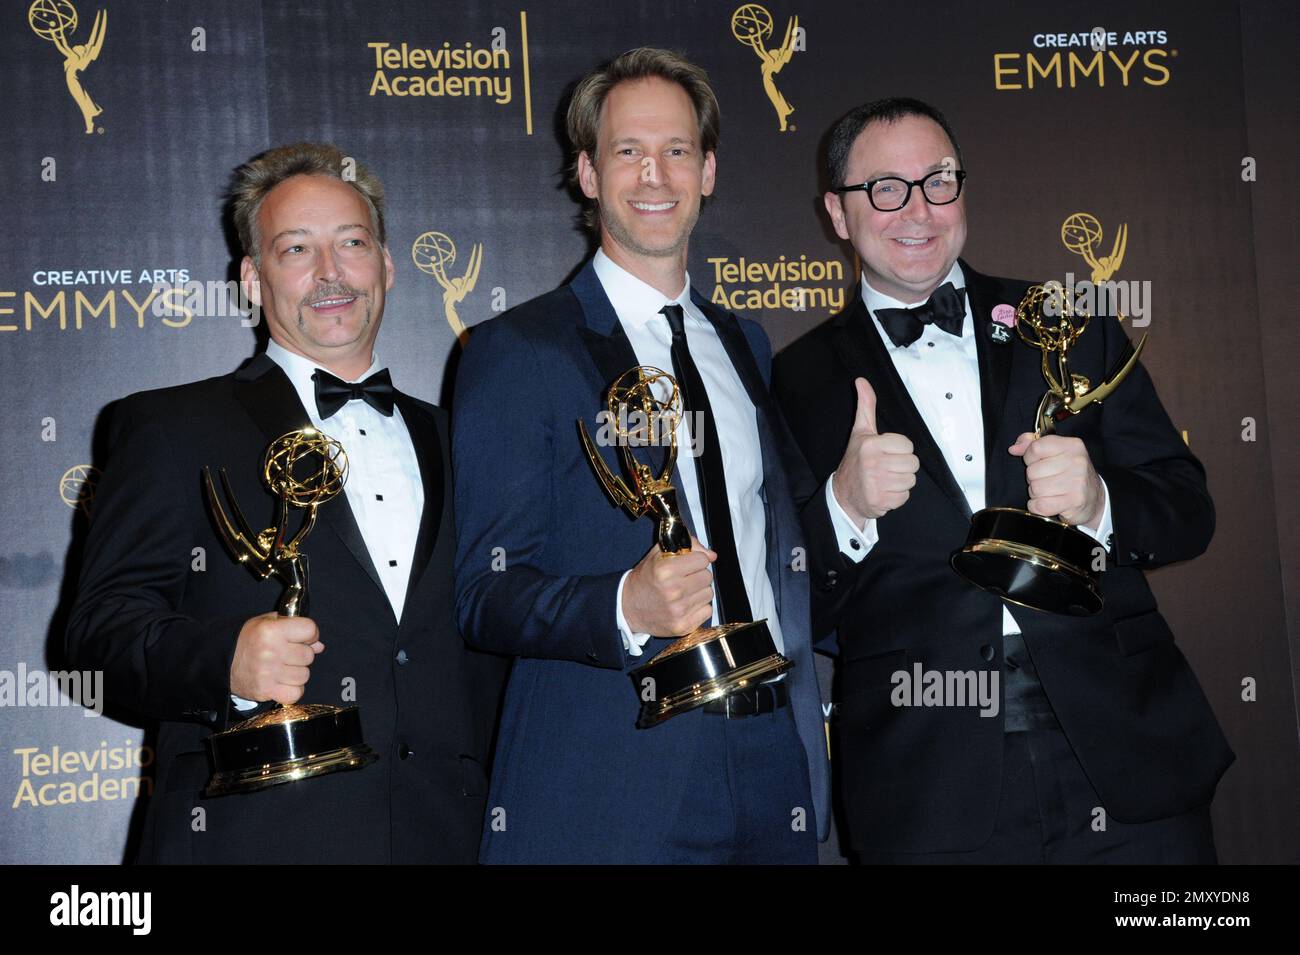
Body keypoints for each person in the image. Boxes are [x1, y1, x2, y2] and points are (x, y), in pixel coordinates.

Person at [772, 98, 1234, 863]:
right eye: (885, 187)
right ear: (836, 212)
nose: (918, 209)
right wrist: (844, 508)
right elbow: (788, 596)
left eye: (939, 181)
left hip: (1126, 762)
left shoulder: (1068, 322)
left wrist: (1100, 503)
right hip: (931, 790)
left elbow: (1189, 508)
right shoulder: (792, 380)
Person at [452, 48, 869, 863]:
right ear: (586, 172)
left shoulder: (743, 342)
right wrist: (623, 606)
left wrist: (847, 507)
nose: (654, 174)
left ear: (708, 170)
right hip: (613, 783)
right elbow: (482, 593)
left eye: (677, 150)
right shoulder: (517, 350)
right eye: (627, 151)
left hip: (771, 769)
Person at [65, 143, 507, 864]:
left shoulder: (465, 440)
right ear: (251, 278)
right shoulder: (171, 428)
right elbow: (97, 638)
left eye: (352, 243)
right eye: (296, 248)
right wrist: (225, 662)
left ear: (388, 267)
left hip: (446, 842)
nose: (330, 272)